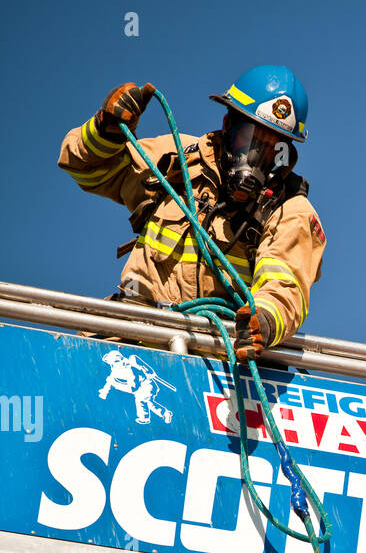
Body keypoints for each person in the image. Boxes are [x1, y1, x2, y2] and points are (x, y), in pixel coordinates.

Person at [58, 65, 327, 359]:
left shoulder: (290, 209)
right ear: (228, 125)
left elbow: (285, 285)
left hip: (217, 356)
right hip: (130, 335)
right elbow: (84, 167)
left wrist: (263, 320)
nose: (255, 157)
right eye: (249, 137)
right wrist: (105, 131)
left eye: (272, 148)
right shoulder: (179, 158)